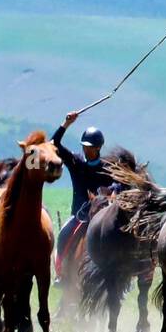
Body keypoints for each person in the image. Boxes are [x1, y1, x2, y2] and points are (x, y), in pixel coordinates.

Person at [52, 110, 120, 263]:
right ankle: (60, 271)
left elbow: (120, 183)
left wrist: (113, 189)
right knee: (63, 234)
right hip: (79, 215)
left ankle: (124, 277)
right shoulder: (76, 162)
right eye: (84, 146)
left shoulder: (108, 166)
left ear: (98, 147)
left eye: (90, 147)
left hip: (103, 216)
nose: (86, 149)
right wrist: (66, 123)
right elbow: (54, 143)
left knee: (122, 237)